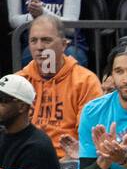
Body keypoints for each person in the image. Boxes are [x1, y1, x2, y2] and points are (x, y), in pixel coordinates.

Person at [18, 15, 101, 154]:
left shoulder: (86, 81)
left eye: (46, 40)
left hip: (67, 159)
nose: (39, 47)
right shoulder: (19, 81)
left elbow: (90, 135)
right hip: (24, 158)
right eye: (33, 41)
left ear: (63, 45)